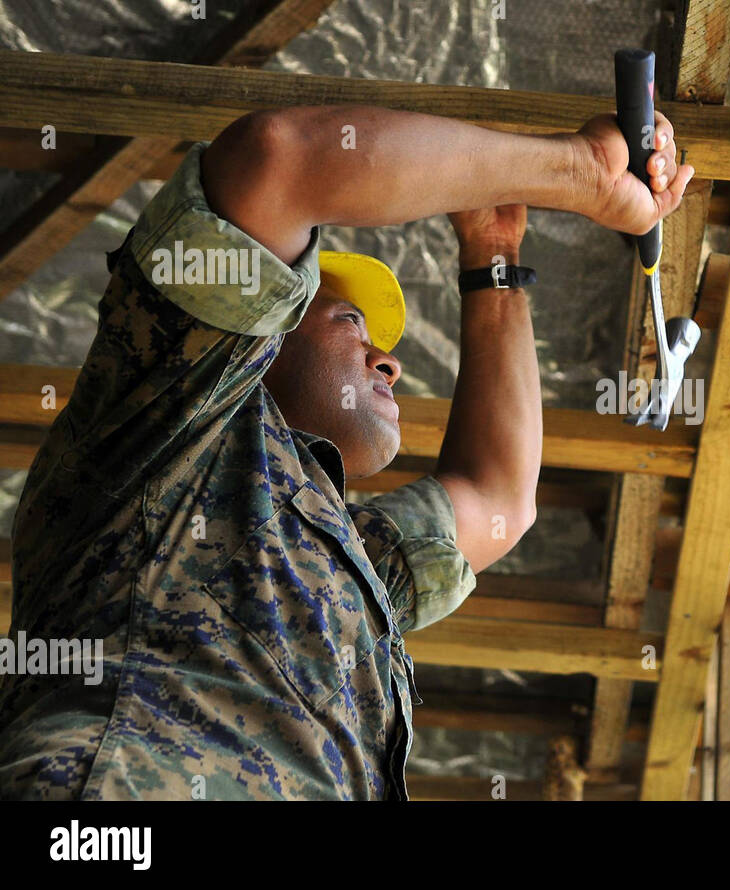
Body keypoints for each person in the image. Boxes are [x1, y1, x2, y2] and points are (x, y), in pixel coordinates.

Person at [0, 104, 693, 800]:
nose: (388, 362)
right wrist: (578, 175)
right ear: (261, 332)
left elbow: (500, 500)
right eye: (351, 322)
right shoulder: (162, 427)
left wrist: (495, 253)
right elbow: (276, 160)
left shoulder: (337, 559)